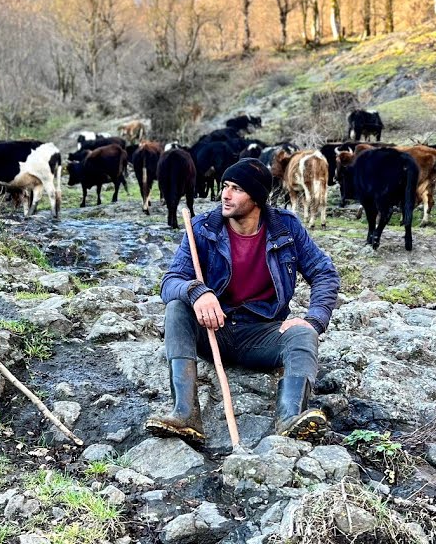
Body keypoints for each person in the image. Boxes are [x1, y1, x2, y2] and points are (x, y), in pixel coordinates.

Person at [145, 158, 340, 445]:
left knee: (303, 333)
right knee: (177, 308)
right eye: (225, 186)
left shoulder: (285, 228)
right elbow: (170, 281)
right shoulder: (201, 229)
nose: (225, 194)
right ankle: (185, 414)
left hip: (261, 335)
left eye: (236, 188)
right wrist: (196, 291)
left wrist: (313, 319)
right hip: (213, 332)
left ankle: (289, 419)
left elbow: (324, 273)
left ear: (257, 197)